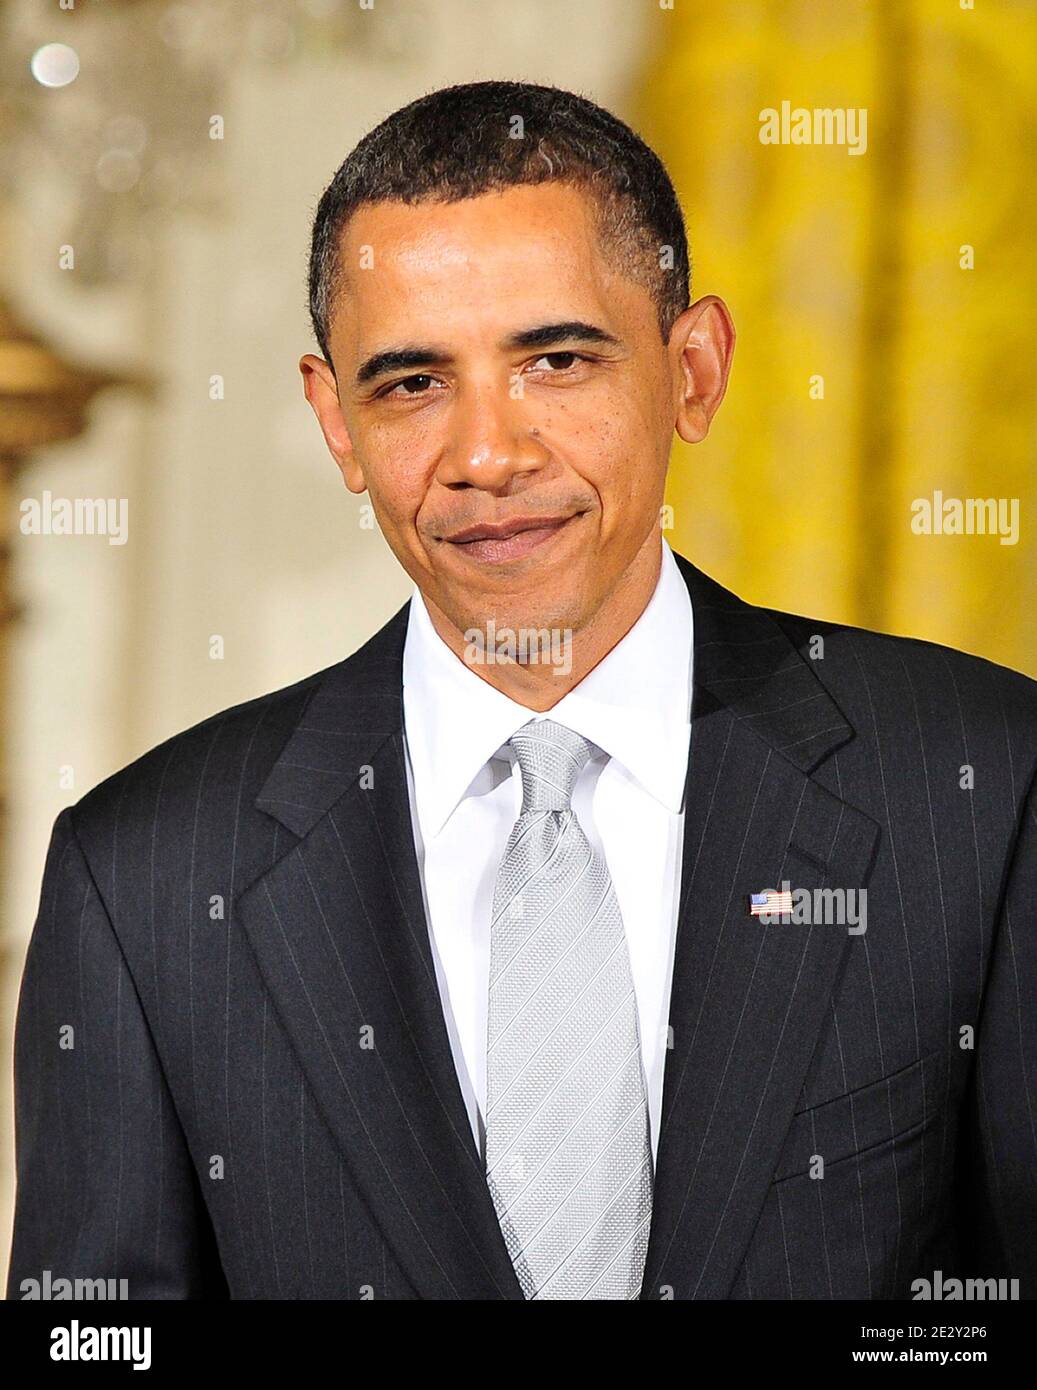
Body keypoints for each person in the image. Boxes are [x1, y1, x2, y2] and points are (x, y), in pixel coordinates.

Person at [7, 80, 1037, 1302]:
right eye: (410, 384)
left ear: (693, 370)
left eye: (554, 360)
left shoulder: (977, 783)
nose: (486, 455)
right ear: (335, 423)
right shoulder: (145, 875)